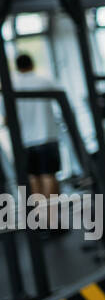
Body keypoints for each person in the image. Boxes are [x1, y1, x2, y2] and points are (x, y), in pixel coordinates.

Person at [10, 54, 62, 205]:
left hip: (24, 140)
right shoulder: (44, 81)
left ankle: (41, 218)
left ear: (17, 67)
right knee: (49, 176)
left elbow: (7, 118)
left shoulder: (11, 86)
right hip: (46, 136)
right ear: (32, 65)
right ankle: (51, 218)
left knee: (33, 178)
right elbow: (63, 100)